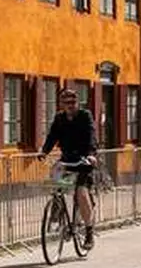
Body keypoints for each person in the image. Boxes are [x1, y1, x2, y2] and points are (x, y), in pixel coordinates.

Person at [38, 88, 99, 249]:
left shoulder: (85, 115)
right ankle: (56, 207)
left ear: (77, 102)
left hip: (84, 160)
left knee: (80, 192)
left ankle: (89, 232)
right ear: (61, 104)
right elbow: (52, 136)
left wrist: (91, 154)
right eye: (66, 103)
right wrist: (44, 151)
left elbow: (91, 135)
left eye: (72, 102)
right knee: (56, 176)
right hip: (67, 158)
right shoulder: (59, 118)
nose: (70, 105)